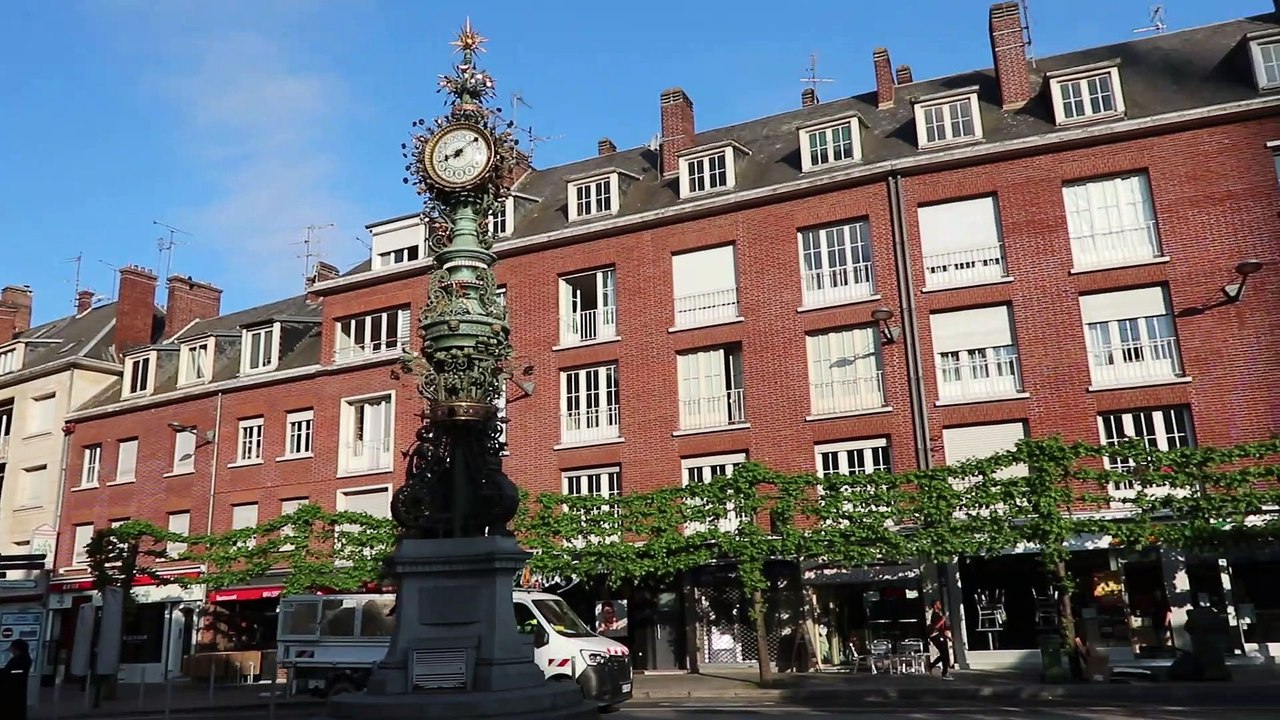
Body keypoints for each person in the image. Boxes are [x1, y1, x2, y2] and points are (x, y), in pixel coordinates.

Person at [1, 639, 32, 720]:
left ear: (16, 649)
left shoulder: (19, 660)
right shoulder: (24, 658)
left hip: (12, 692)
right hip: (16, 691)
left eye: (11, 648)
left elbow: (10, 673)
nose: (11, 651)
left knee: (12, 711)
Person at [926, 599, 954, 680]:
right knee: (945, 655)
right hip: (936, 637)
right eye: (938, 604)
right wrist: (942, 620)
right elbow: (935, 627)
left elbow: (942, 629)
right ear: (935, 606)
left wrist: (948, 637)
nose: (940, 605)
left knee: (944, 655)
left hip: (942, 636)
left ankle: (931, 666)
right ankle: (944, 674)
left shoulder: (940, 614)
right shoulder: (934, 615)